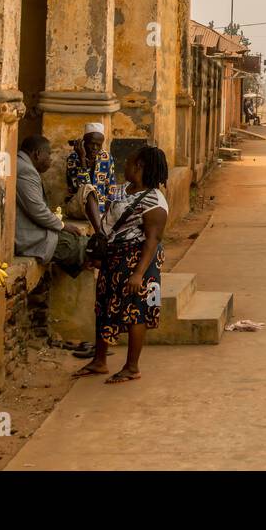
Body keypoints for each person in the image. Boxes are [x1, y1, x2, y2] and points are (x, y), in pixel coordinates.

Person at [73, 145, 170, 385]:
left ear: (139, 166)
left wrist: (138, 274)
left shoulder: (155, 203)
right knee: (104, 307)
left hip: (139, 262)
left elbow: (152, 240)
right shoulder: (126, 190)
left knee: (137, 311)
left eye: (129, 162)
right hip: (116, 259)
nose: (124, 165)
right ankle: (100, 360)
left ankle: (132, 367)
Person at [15, 135, 88, 276]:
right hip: (29, 239)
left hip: (32, 233)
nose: (50, 159)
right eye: (48, 154)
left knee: (83, 246)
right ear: (37, 154)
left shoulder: (21, 165)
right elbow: (37, 210)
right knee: (85, 248)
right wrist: (62, 225)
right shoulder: (25, 170)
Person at [66, 122, 114, 215]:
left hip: (101, 209)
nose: (95, 148)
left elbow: (111, 185)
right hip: (80, 207)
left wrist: (110, 208)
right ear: (83, 143)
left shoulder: (107, 157)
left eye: (99, 144)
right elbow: (80, 187)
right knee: (87, 189)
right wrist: (82, 159)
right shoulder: (73, 159)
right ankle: (99, 229)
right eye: (91, 144)